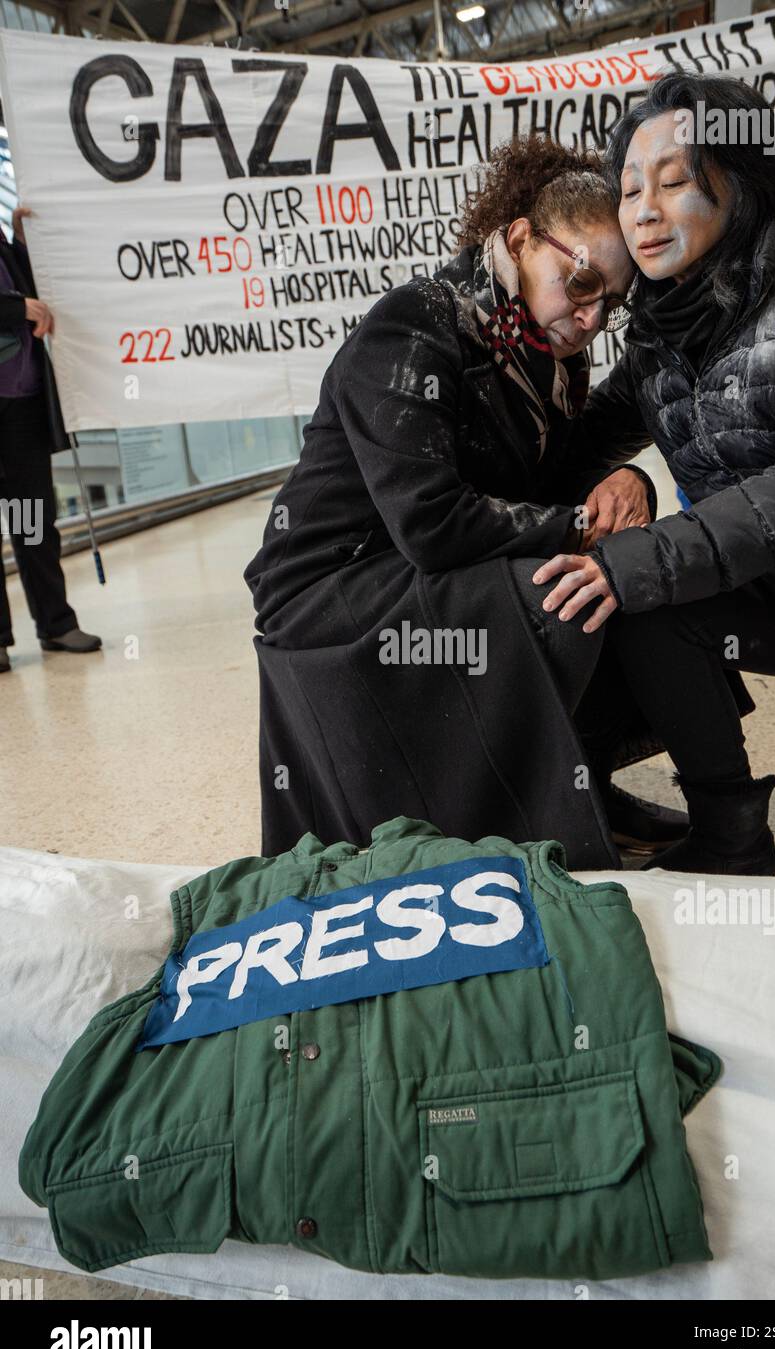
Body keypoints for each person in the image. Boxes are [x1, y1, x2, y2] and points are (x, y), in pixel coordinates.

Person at [244, 137, 688, 866]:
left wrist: (629, 484)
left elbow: (550, 475)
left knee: (625, 575)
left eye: (611, 303)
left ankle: (580, 786)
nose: (590, 319)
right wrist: (580, 524)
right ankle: (521, 821)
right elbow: (430, 522)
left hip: (412, 568)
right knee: (563, 596)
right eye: (580, 282)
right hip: (329, 588)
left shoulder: (537, 353)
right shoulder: (417, 322)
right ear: (519, 237)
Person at [536, 74, 775, 874]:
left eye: (676, 181)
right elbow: (579, 446)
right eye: (629, 190)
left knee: (636, 570)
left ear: (744, 182)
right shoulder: (660, 325)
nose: (644, 210)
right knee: (635, 593)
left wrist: (640, 554)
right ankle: (729, 829)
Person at [0, 205, 101, 674]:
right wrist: (14, 308)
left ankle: (55, 624)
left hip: (19, 409)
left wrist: (23, 242)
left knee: (33, 522)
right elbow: (21, 305)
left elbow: (37, 296)